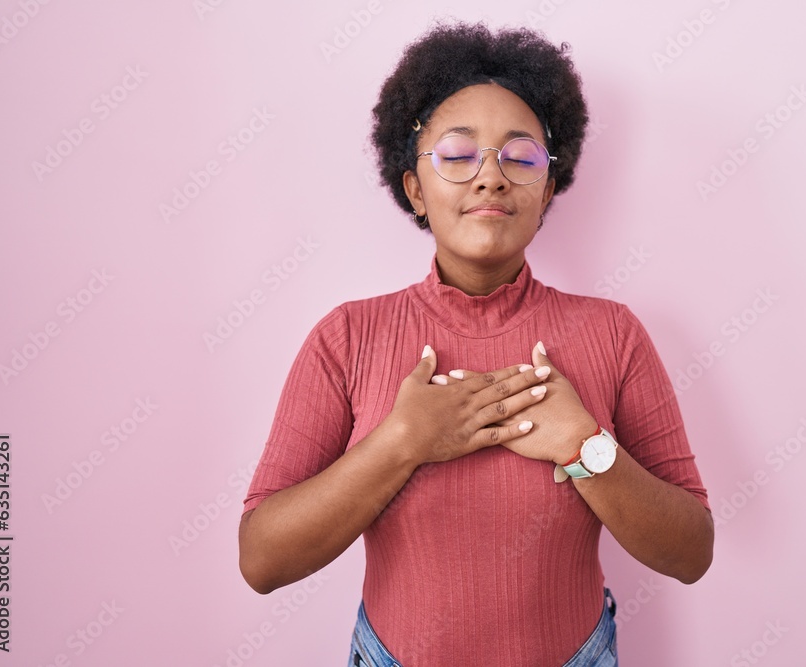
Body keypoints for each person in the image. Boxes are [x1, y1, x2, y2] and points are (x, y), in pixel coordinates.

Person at [238, 21, 713, 666]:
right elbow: (262, 559)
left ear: (546, 190)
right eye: (458, 156)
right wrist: (405, 440)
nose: (491, 178)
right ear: (415, 188)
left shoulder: (613, 333)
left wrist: (585, 447)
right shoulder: (347, 338)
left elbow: (691, 552)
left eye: (520, 158)